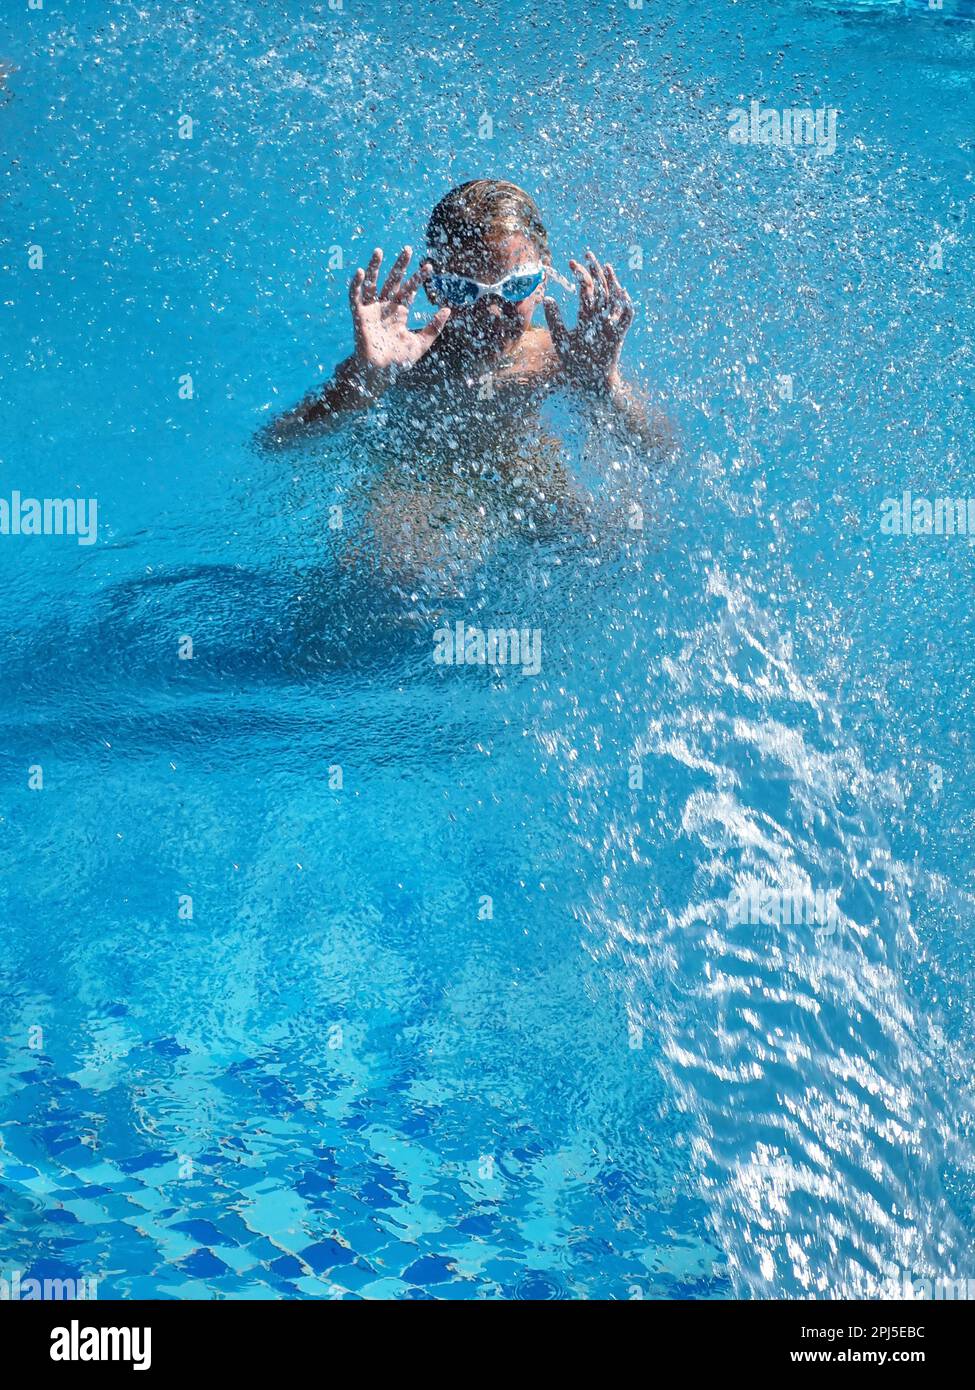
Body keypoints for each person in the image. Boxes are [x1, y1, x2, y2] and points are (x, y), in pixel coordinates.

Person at [263, 180, 670, 582]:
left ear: (544, 276)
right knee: (397, 576)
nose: (491, 312)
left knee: (612, 542)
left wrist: (605, 384)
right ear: (434, 290)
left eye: (514, 286)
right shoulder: (405, 361)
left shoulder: (557, 356)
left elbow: (660, 448)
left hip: (522, 468)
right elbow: (279, 441)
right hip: (422, 478)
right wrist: (363, 380)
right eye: (462, 289)